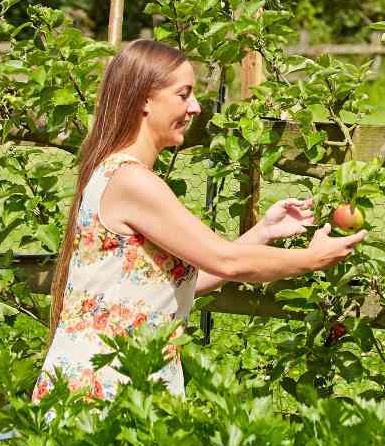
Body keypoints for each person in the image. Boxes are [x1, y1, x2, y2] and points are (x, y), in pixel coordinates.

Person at [32, 40, 366, 404]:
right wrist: (311, 258)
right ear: (145, 98)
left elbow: (184, 280)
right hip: (105, 389)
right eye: (183, 94)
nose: (195, 107)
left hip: (120, 380)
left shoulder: (121, 173)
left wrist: (264, 231)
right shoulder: (132, 181)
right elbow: (226, 261)